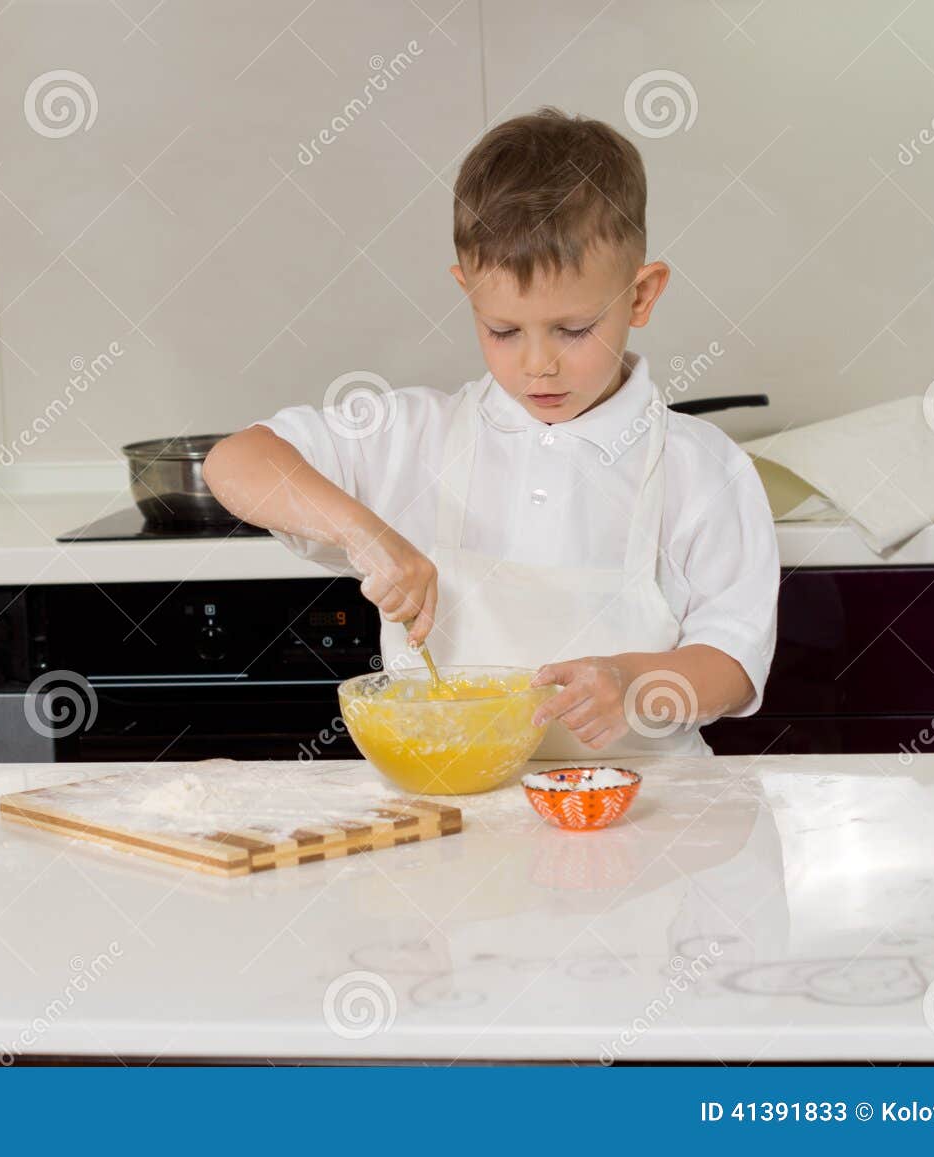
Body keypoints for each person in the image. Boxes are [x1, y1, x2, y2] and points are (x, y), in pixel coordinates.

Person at [204, 109, 777, 758]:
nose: (538, 363)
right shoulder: (413, 435)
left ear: (641, 296)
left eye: (574, 329)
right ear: (467, 290)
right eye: (503, 330)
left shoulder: (703, 468)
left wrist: (633, 681)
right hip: (453, 824)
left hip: (644, 821)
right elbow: (235, 461)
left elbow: (732, 662)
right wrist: (365, 535)